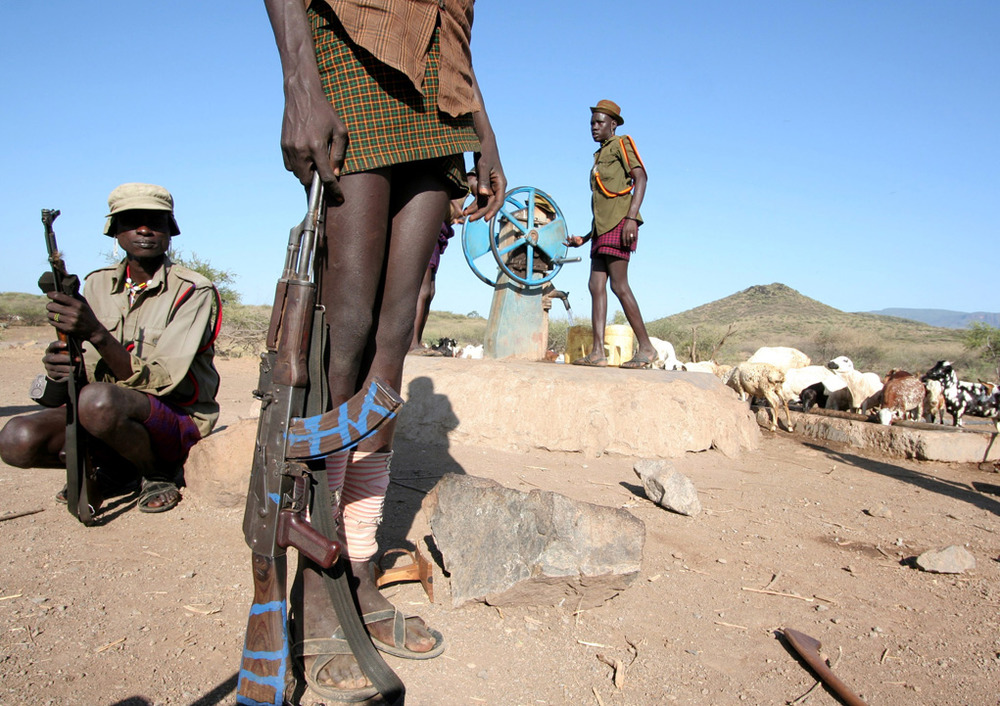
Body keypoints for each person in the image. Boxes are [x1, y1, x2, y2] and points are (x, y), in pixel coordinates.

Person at [262, 0, 505, 700]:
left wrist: (484, 133)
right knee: (346, 333)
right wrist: (299, 88)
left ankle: (359, 565)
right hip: (350, 66)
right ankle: (313, 579)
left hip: (439, 101)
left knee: (393, 344)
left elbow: (452, 28)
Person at [0, 183, 221, 513]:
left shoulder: (193, 291)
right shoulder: (96, 283)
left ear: (170, 231)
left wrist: (97, 333)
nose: (144, 229)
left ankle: (156, 473)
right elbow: (88, 369)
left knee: (97, 400)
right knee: (16, 439)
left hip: (173, 418)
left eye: (155, 221)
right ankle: (118, 470)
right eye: (132, 221)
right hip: (105, 414)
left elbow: (163, 382)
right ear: (115, 232)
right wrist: (64, 367)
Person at [566, 99, 657, 369]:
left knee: (618, 285)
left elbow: (641, 178)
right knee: (595, 286)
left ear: (613, 124)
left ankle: (647, 347)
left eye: (599, 122)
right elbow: (602, 203)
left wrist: (631, 218)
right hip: (601, 228)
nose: (594, 127)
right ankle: (597, 352)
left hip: (621, 223)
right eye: (592, 123)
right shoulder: (598, 156)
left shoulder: (622, 143)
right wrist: (584, 237)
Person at [410, 197, 466, 352]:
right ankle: (411, 343)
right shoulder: (453, 189)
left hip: (436, 237)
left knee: (431, 292)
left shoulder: (462, 193)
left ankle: (418, 340)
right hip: (428, 234)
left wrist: (461, 214)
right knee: (424, 290)